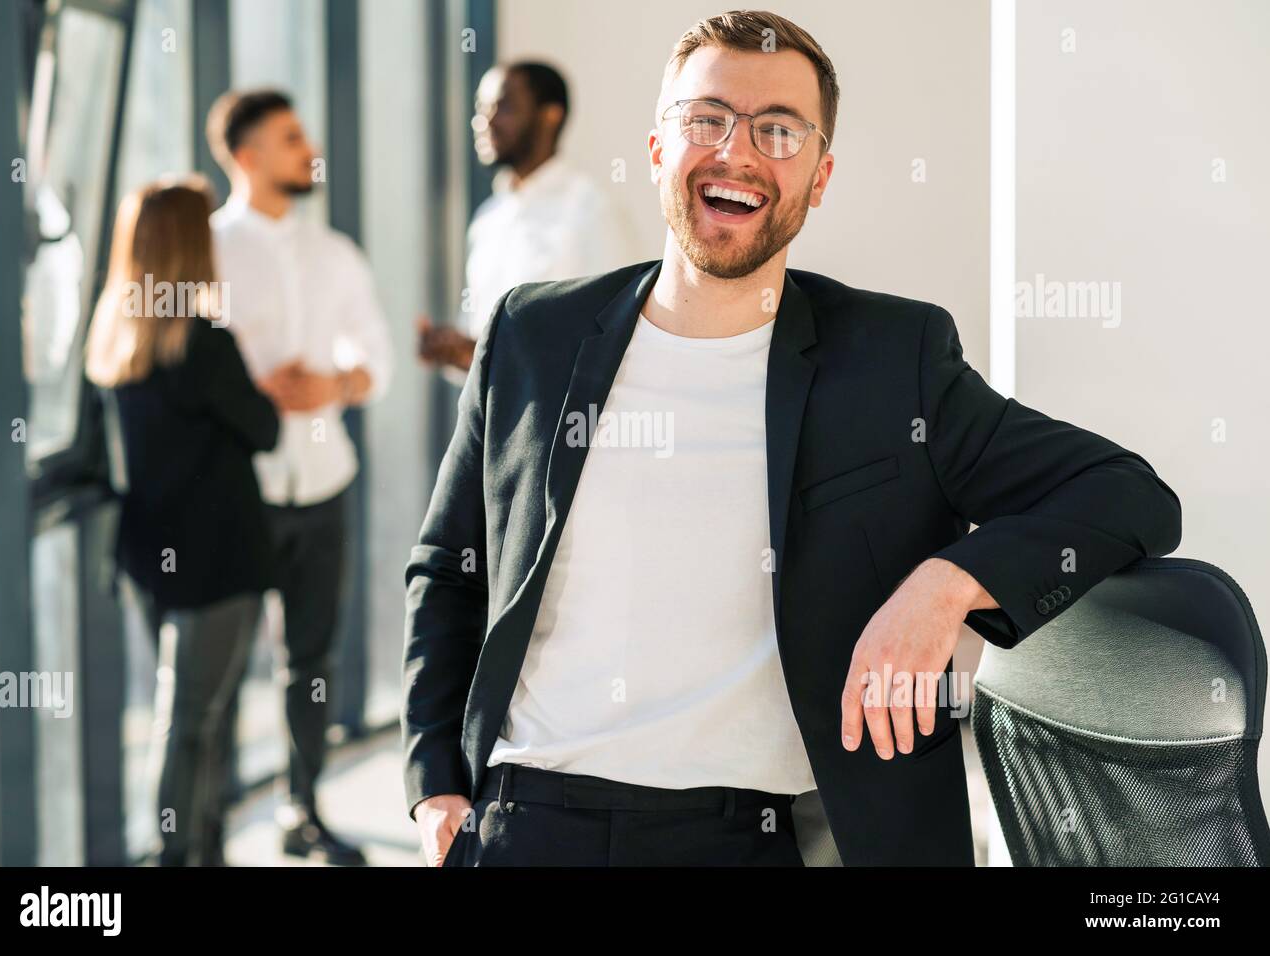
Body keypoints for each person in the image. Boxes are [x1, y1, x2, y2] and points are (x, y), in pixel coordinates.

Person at [402, 9, 1184, 867]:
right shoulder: (531, 336)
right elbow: (449, 567)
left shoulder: (894, 363)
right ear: (659, 148)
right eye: (706, 119)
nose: (736, 152)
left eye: (778, 130)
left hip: (754, 839)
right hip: (525, 824)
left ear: (820, 176)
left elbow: (1126, 492)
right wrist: (434, 779)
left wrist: (947, 582)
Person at [206, 88, 393, 865]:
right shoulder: (207, 250)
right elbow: (187, 368)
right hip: (238, 491)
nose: (307, 148)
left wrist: (336, 386)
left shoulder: (336, 252)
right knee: (217, 676)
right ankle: (204, 833)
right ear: (245, 157)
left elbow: (375, 360)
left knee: (310, 661)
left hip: (324, 485)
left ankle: (302, 810)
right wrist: (251, 389)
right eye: (290, 138)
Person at [85, 176, 279, 866]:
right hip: (221, 560)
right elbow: (265, 430)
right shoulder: (202, 342)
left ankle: (197, 851)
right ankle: (179, 854)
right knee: (194, 721)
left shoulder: (113, 337)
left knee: (189, 712)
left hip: (150, 557)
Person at [417, 61, 638, 380]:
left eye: (503, 107)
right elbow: (479, 351)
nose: (485, 120)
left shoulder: (593, 210)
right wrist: (455, 351)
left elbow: (618, 340)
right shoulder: (487, 219)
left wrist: (486, 352)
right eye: (481, 107)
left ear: (550, 115)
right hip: (490, 426)